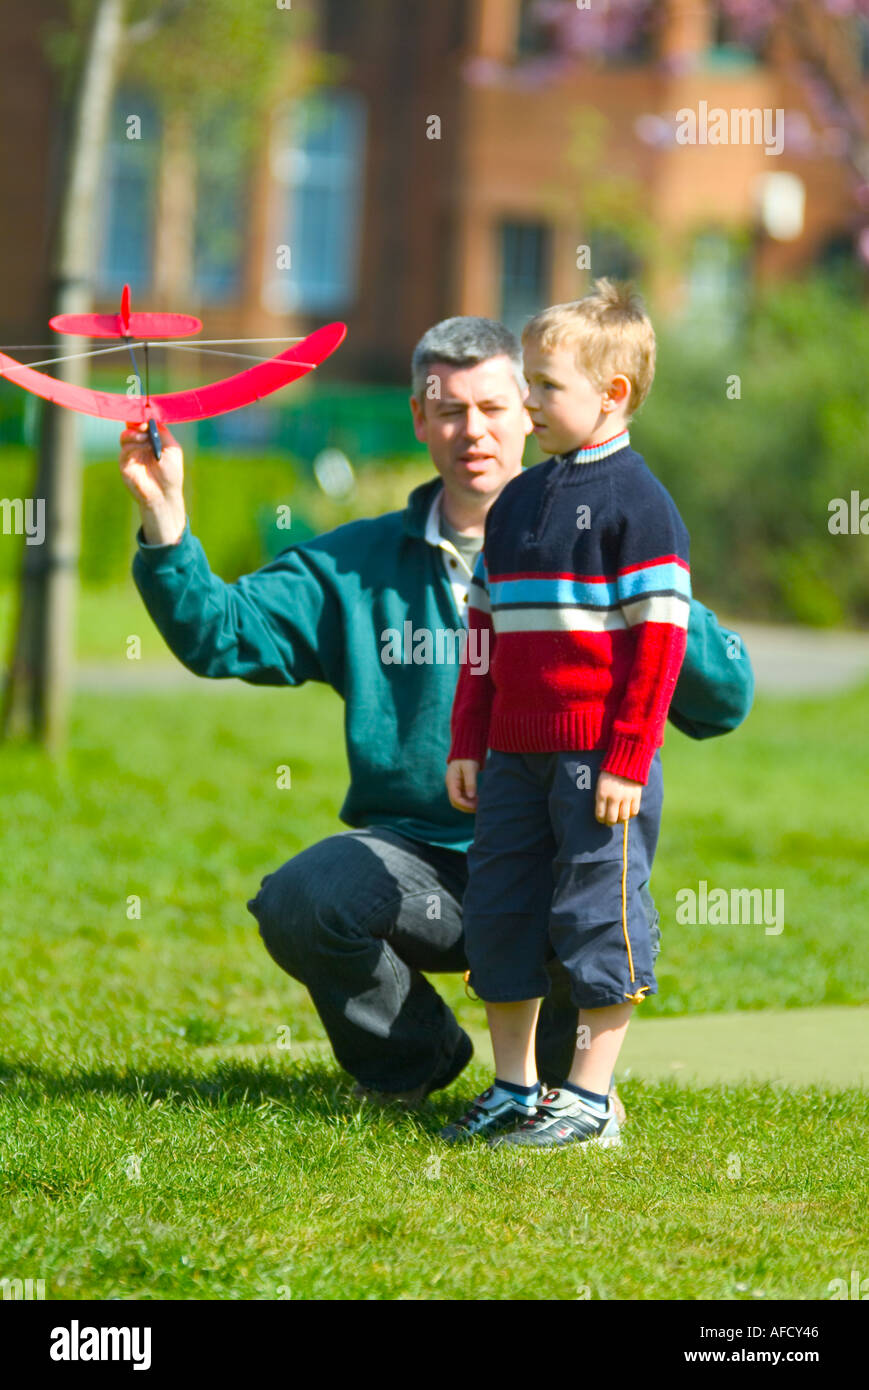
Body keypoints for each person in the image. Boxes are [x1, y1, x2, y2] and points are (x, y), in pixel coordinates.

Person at [118, 313, 753, 1115]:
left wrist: (629, 591)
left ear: (529, 408)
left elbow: (725, 698)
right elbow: (221, 634)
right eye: (448, 409)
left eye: (493, 406)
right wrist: (164, 515)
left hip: (555, 844)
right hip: (420, 862)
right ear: (418, 418)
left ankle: (565, 1088)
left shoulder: (612, 538)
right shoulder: (354, 564)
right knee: (304, 898)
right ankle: (410, 1062)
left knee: (575, 903)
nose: (472, 430)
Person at [443, 281, 695, 1150]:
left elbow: (659, 643)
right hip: (512, 755)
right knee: (500, 909)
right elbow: (481, 631)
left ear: (611, 393)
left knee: (598, 916)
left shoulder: (640, 505)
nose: (525, 401)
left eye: (543, 386)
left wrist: (628, 755)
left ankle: (588, 1100)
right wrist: (468, 737)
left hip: (600, 761)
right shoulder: (515, 502)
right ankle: (515, 1088)